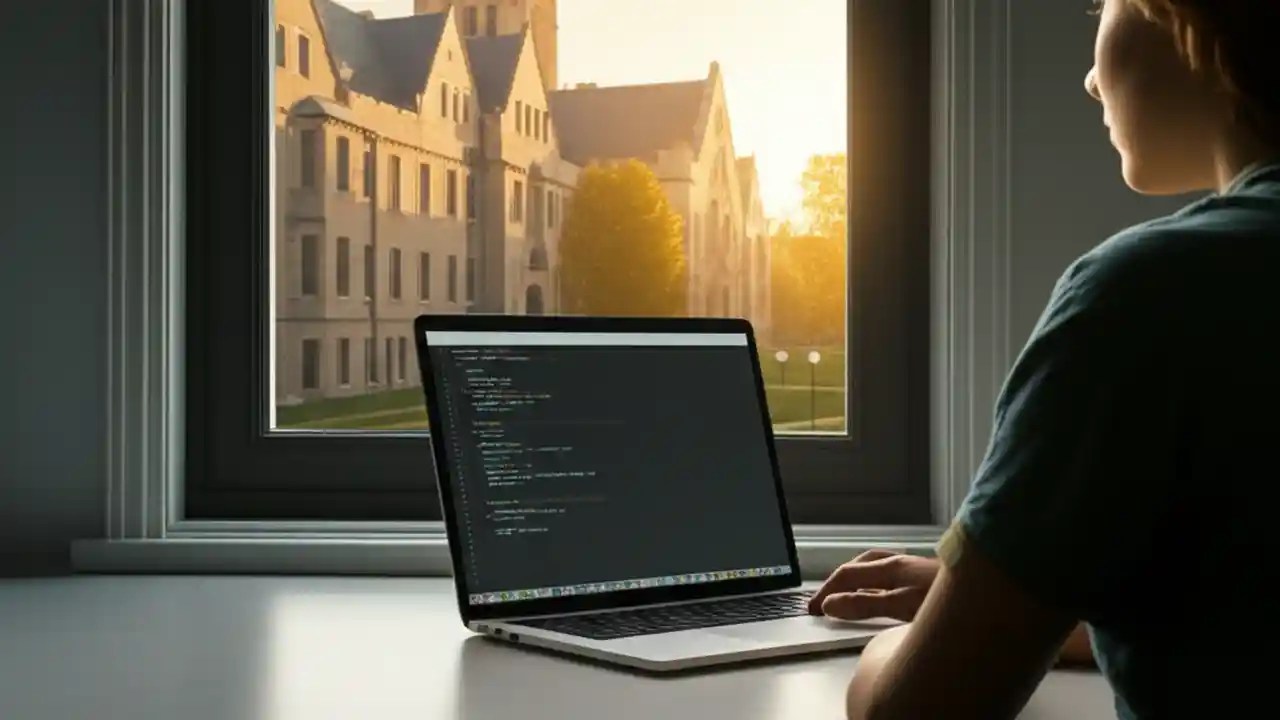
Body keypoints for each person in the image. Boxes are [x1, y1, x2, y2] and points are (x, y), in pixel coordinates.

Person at [809, 1, 1280, 718]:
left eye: (1107, 4)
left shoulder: (1149, 295)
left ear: (1185, 15)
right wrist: (1013, 601)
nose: (1092, 79)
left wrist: (901, 646)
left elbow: (915, 708)